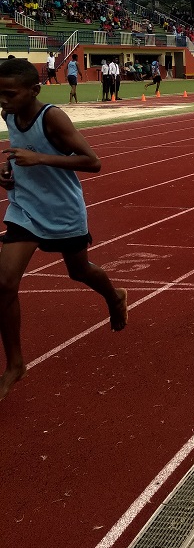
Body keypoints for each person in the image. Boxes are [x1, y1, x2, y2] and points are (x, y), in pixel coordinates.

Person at [0, 59, 128, 401]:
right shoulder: (9, 115)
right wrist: (7, 168)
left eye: (10, 94)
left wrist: (39, 159)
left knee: (79, 270)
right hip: (24, 207)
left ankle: (115, 297)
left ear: (34, 90)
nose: (3, 101)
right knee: (4, 282)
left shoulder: (52, 117)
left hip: (62, 210)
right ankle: (15, 364)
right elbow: (17, 154)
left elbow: (93, 161)